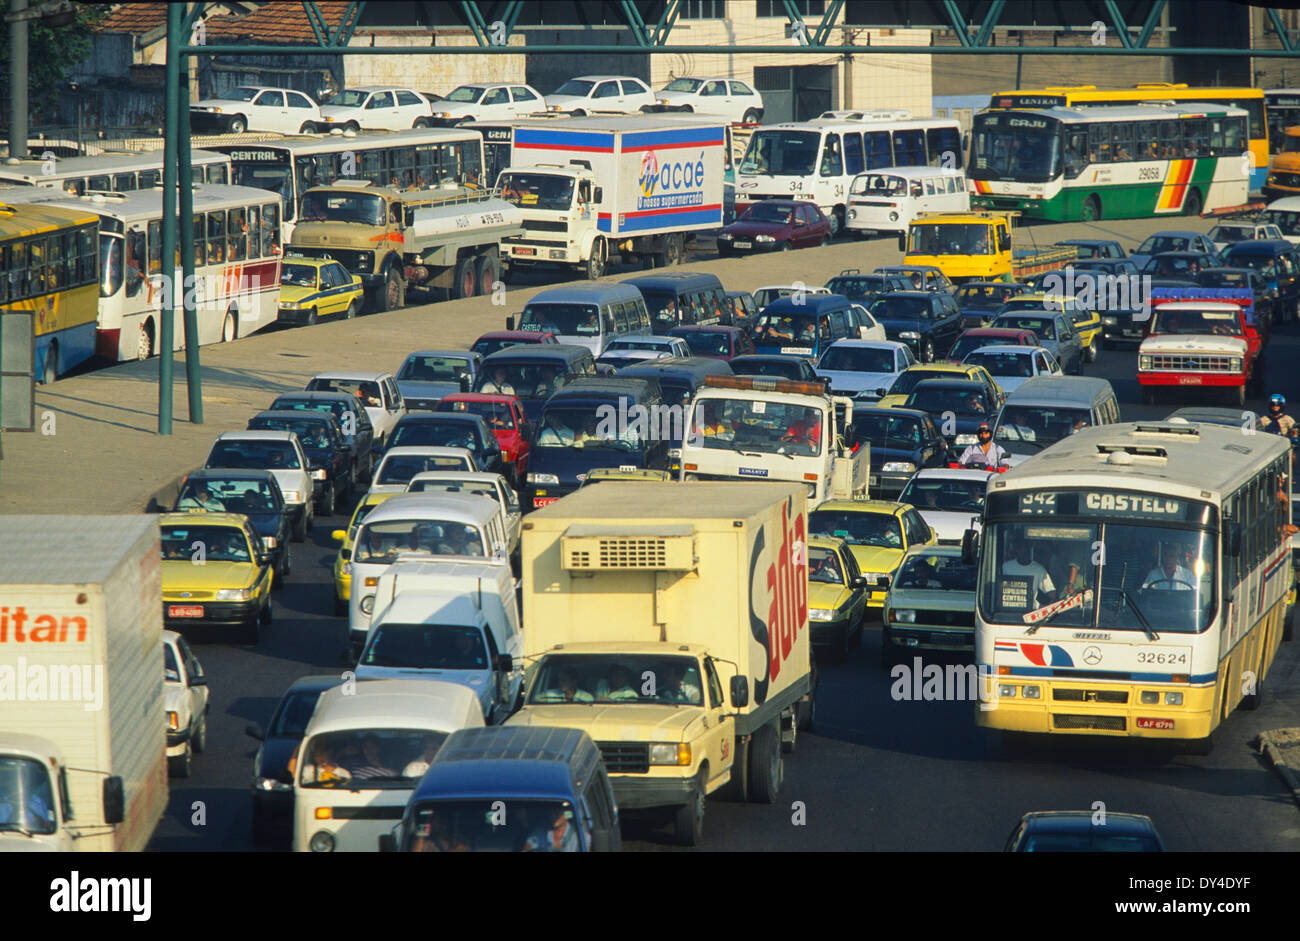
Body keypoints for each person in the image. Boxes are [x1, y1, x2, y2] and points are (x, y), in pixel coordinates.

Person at [1002, 536, 1055, 606]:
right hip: (1010, 611)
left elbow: (1051, 593)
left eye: (1023, 547)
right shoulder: (1006, 566)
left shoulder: (1039, 569)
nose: (1021, 551)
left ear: (1029, 548)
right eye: (1018, 547)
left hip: (1031, 613)